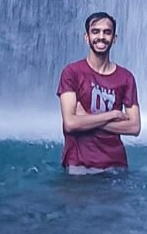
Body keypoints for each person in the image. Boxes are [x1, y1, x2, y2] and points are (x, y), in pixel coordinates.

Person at [57, 11, 140, 173]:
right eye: (95, 31)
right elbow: (71, 124)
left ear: (114, 39)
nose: (101, 37)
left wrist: (86, 119)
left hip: (116, 165)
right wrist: (113, 115)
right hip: (79, 164)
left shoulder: (126, 77)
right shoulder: (72, 73)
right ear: (86, 37)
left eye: (107, 32)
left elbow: (134, 127)